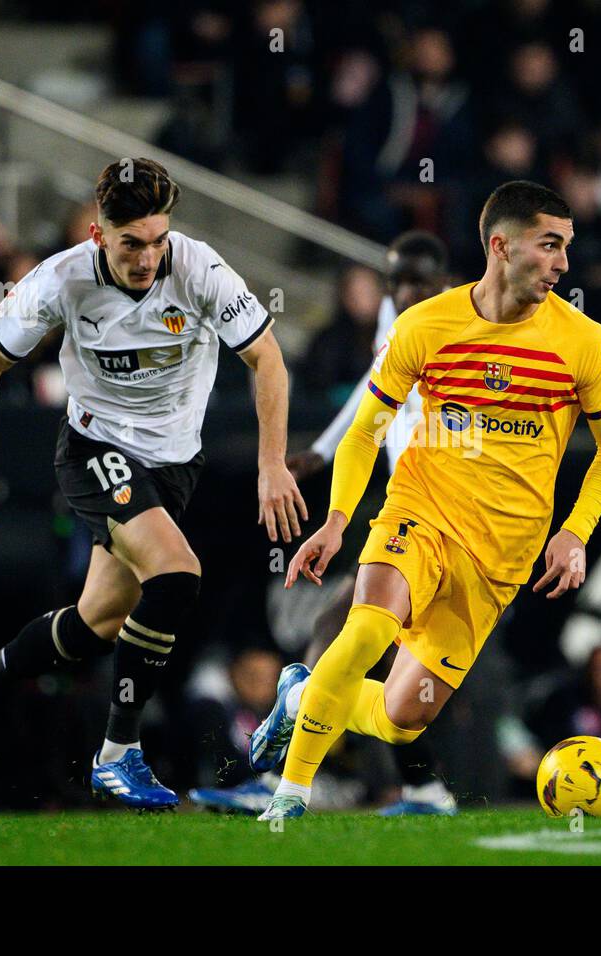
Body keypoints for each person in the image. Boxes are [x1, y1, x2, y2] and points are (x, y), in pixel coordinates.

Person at [0, 158, 307, 810]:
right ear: (100, 234)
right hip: (97, 450)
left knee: (96, 621)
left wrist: (273, 463)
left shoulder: (199, 269)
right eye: (132, 242)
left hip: (175, 465)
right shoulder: (61, 278)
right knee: (177, 575)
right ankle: (119, 751)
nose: (148, 256)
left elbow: (266, 357)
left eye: (158, 239)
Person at [253, 180, 601, 819]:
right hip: (418, 513)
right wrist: (337, 521)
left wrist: (575, 531)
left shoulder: (584, 342)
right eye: (550, 245)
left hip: (498, 560)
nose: (564, 264)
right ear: (501, 246)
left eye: (567, 247)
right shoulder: (425, 325)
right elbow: (365, 429)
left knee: (403, 718)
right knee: (367, 631)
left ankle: (304, 697)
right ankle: (288, 796)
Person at [200, 231, 458, 816]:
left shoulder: (461, 329)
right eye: (397, 281)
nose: (405, 292)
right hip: (409, 520)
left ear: (444, 281)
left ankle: (290, 775)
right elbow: (373, 394)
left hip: (449, 524)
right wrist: (320, 449)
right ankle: (421, 788)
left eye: (419, 281)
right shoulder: (400, 324)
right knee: (366, 653)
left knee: (349, 644)